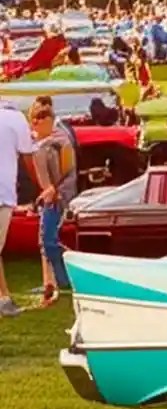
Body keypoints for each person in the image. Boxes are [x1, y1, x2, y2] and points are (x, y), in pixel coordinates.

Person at [30, 104, 76, 306]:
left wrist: (55, 192)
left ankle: (63, 280)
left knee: (49, 241)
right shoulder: (38, 144)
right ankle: (56, 282)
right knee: (46, 241)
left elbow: (68, 173)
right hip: (48, 197)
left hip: (57, 199)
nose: (38, 123)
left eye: (43, 119)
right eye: (36, 119)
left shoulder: (59, 143)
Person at [0, 98, 36, 317]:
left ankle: (4, 298)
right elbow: (29, 158)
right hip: (3, 193)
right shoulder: (16, 118)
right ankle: (4, 299)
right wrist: (41, 185)